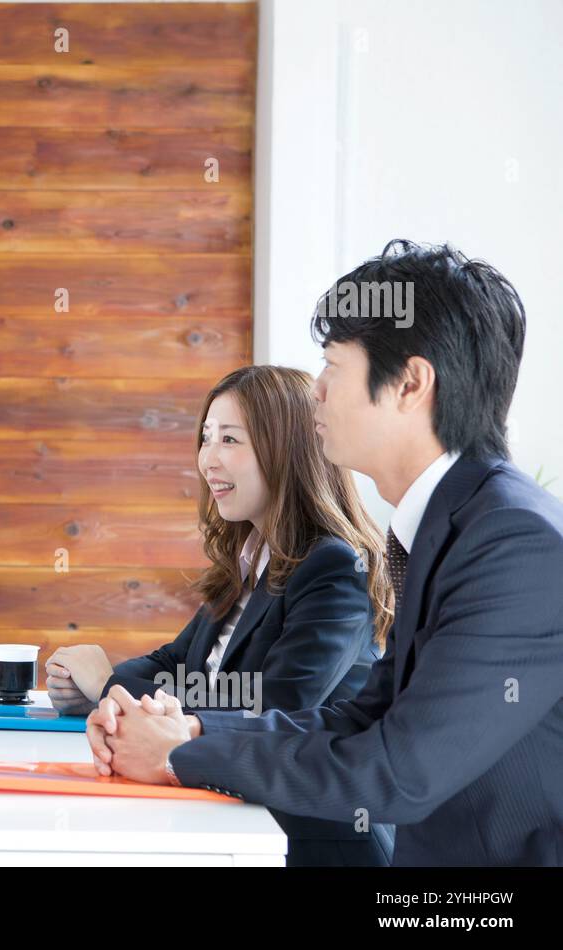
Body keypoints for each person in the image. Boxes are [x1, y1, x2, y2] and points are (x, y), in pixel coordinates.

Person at [89, 240, 563, 866]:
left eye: (333, 367)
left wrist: (179, 754)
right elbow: (365, 718)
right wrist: (193, 731)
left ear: (411, 384)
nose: (315, 391)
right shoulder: (456, 522)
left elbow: (400, 771)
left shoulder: (513, 542)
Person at [47, 365, 395, 865]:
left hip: (307, 838)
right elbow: (174, 663)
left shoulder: (333, 567)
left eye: (229, 439)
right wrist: (108, 691)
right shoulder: (248, 559)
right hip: (224, 813)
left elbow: (277, 702)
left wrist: (108, 686)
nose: (208, 458)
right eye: (205, 438)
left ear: (286, 448)